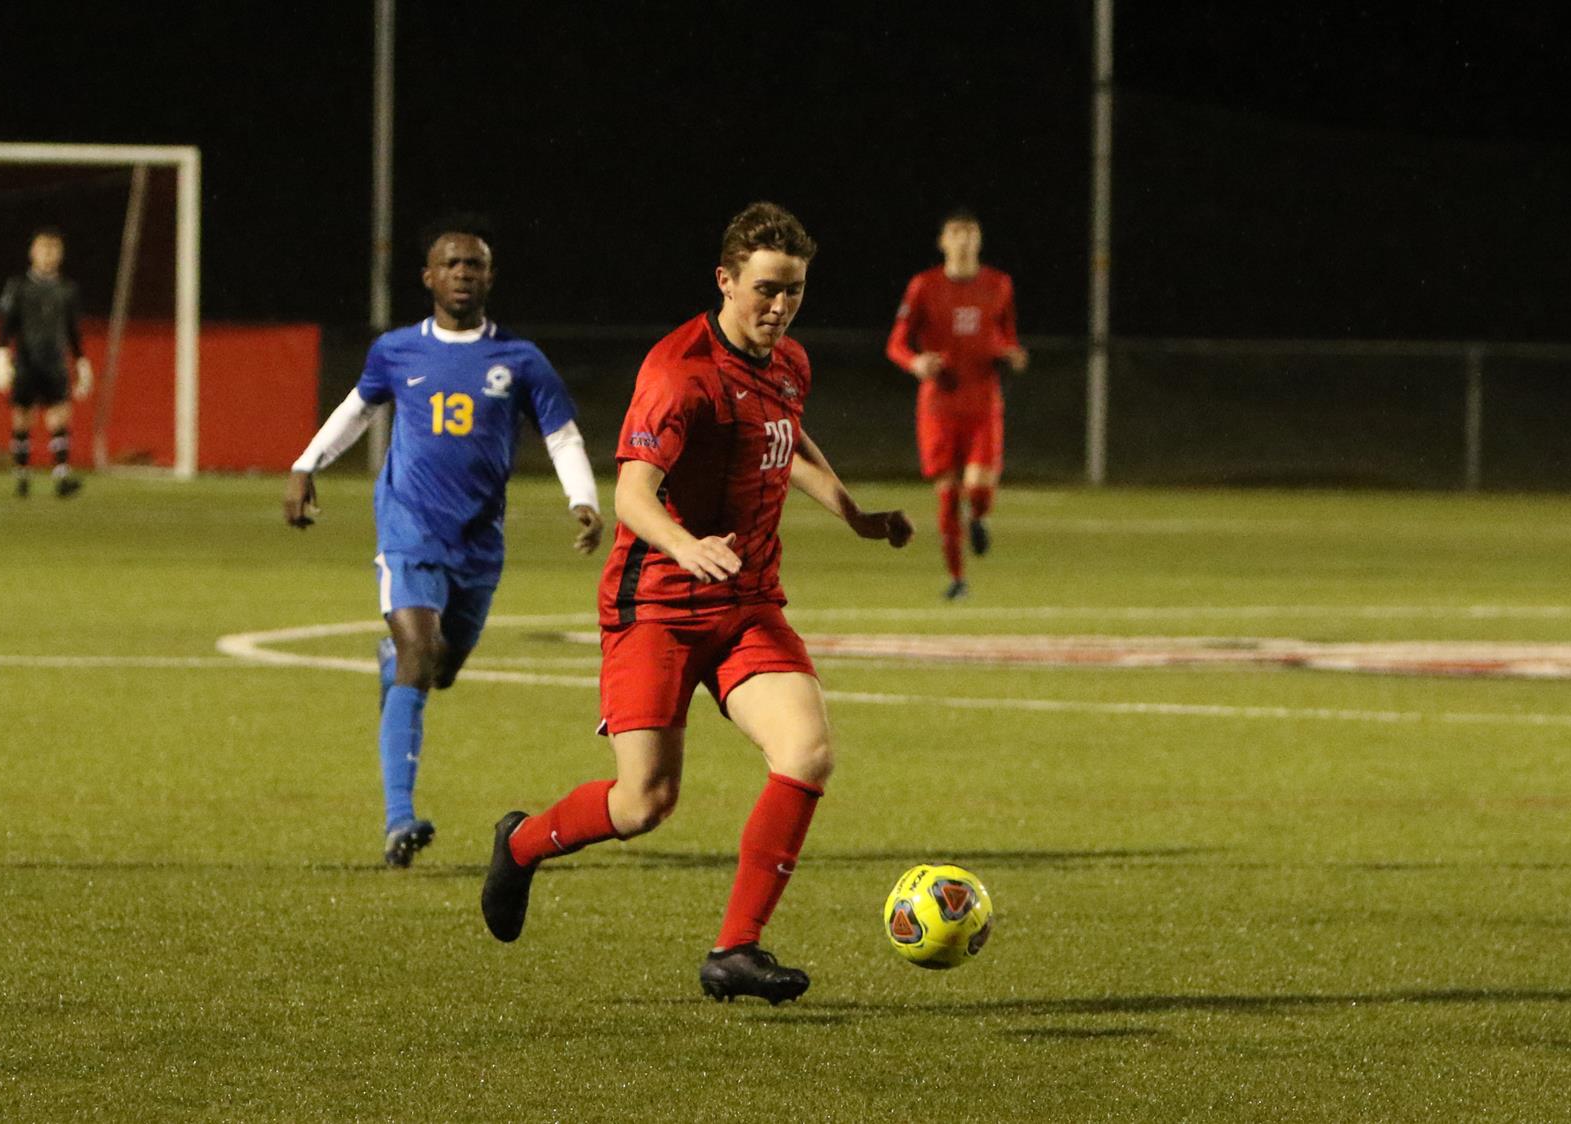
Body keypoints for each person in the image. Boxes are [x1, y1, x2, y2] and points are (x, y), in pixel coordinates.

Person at [478, 202, 913, 1003]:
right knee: (647, 801)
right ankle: (524, 845)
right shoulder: (678, 373)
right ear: (725, 280)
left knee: (808, 753)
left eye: (794, 293)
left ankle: (736, 950)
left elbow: (790, 432)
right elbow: (634, 494)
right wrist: (686, 545)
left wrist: (853, 513)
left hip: (748, 603)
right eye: (765, 290)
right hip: (660, 606)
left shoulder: (788, 362)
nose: (779, 308)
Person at [284, 213, 605, 866]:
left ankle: (393, 664)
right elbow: (358, 408)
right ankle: (399, 821)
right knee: (419, 652)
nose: (463, 274)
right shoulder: (397, 350)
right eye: (452, 264)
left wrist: (584, 499)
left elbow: (562, 434)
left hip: (478, 544)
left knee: (441, 670)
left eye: (475, 264)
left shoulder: (519, 359)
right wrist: (305, 464)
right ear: (429, 276)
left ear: (490, 276)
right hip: (407, 529)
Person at [884, 208, 1027, 600]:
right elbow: (896, 343)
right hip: (939, 406)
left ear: (978, 240)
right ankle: (958, 577)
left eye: (970, 232)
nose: (963, 239)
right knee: (948, 495)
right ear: (943, 241)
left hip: (983, 404)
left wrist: (1009, 353)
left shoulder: (999, 285)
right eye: (956, 232)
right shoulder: (923, 286)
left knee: (978, 489)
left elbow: (1004, 335)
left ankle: (979, 517)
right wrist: (916, 362)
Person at [0, 227, 93, 498]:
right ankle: (22, 475)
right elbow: (7, 325)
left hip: (54, 362)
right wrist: (0, 353)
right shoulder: (19, 287)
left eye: (54, 249)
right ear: (32, 252)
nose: (48, 254)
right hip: (25, 360)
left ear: (60, 254)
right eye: (43, 249)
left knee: (59, 415)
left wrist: (81, 360)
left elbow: (73, 330)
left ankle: (61, 476)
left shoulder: (67, 290)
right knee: (23, 417)